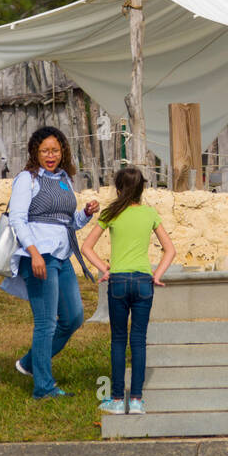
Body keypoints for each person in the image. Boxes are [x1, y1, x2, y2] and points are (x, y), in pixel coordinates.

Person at [2, 126, 99, 398]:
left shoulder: (64, 179)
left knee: (73, 317)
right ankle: (43, 387)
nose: (50, 155)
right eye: (44, 150)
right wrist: (33, 253)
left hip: (62, 255)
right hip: (38, 255)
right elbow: (18, 219)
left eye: (55, 150)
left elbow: (67, 223)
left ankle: (30, 363)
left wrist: (85, 214)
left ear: (63, 151)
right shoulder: (26, 179)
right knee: (47, 323)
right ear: (35, 152)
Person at [81, 164, 176, 415]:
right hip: (144, 281)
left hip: (119, 282)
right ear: (142, 188)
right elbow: (170, 250)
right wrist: (157, 275)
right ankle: (136, 400)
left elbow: (86, 247)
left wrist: (105, 269)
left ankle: (115, 399)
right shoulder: (150, 214)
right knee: (139, 341)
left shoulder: (111, 214)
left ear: (119, 188)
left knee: (118, 340)